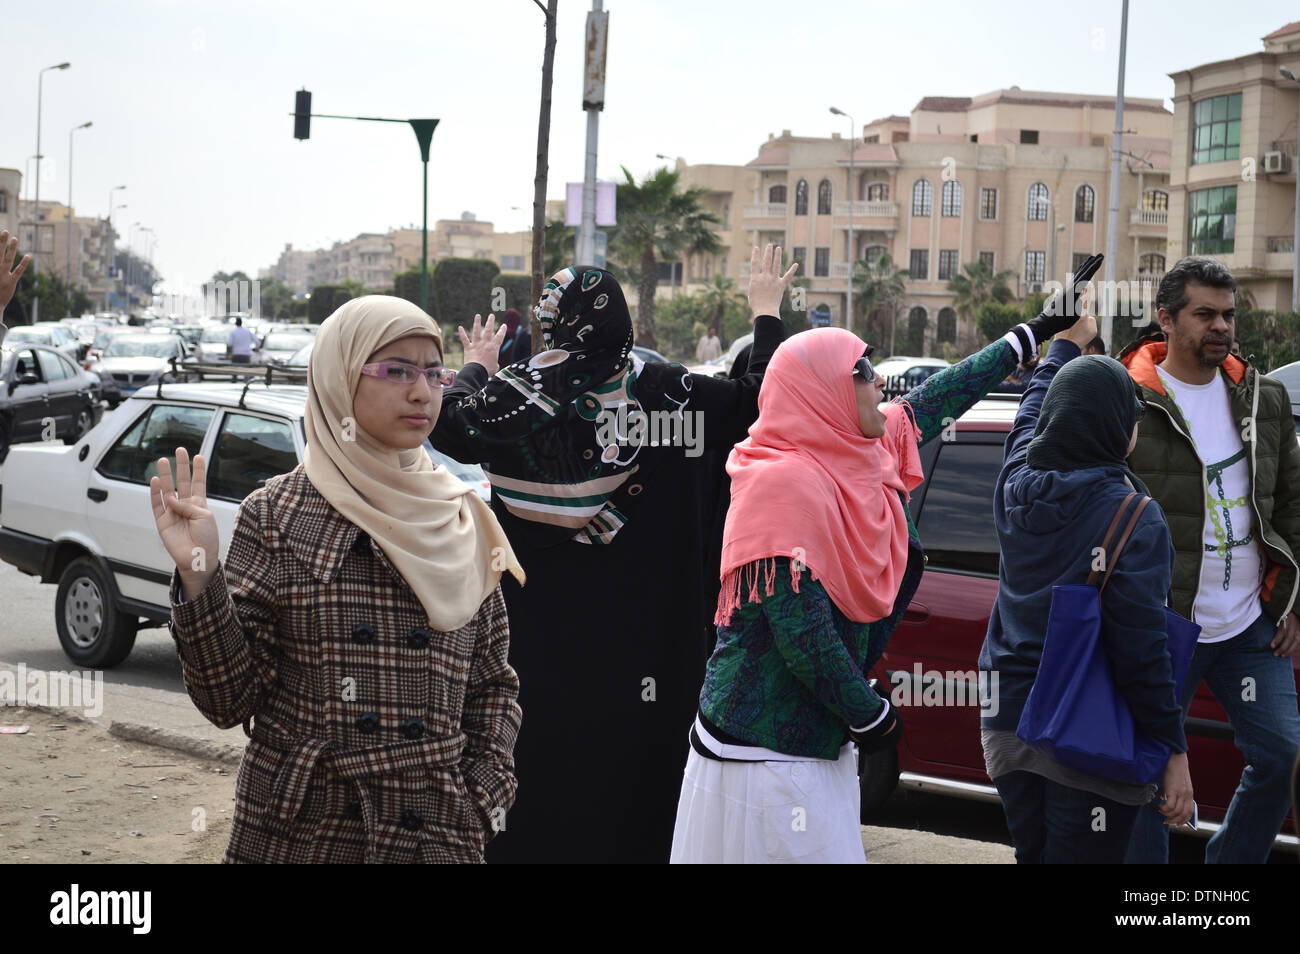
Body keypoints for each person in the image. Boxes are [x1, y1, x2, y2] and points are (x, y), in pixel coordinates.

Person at [669, 259, 1104, 864]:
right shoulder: (782, 484)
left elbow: (940, 396)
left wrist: (1033, 333)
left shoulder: (858, 449)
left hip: (820, 744)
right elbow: (804, 637)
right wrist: (870, 717)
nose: (879, 384)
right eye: (863, 371)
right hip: (762, 755)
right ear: (822, 391)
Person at [431, 247, 794, 863]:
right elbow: (760, 401)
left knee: (537, 763)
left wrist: (478, 368)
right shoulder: (665, 393)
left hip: (538, 643)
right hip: (645, 649)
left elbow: (448, 422)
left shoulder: (514, 398)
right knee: (637, 787)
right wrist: (764, 315)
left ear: (554, 323)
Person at [152, 295, 525, 863]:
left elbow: (493, 687)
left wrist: (479, 797)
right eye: (397, 371)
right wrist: (199, 575)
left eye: (433, 371)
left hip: (434, 835)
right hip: (307, 834)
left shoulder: (464, 515)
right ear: (338, 379)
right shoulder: (276, 514)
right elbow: (229, 701)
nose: (423, 392)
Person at [978, 310, 1193, 865]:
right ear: (1118, 427)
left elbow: (1030, 415)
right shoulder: (1133, 516)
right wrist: (1172, 746)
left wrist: (1062, 350)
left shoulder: (1015, 484)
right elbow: (1140, 650)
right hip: (1081, 729)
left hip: (1004, 724)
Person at [1120, 257, 1300, 864]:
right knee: (1145, 773)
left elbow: (1293, 502)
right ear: (1165, 320)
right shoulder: (1131, 401)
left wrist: (1292, 600)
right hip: (1163, 626)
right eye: (1205, 315)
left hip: (1249, 625)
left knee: (1281, 756)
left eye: (1228, 314)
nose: (1220, 326)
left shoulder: (1263, 398)